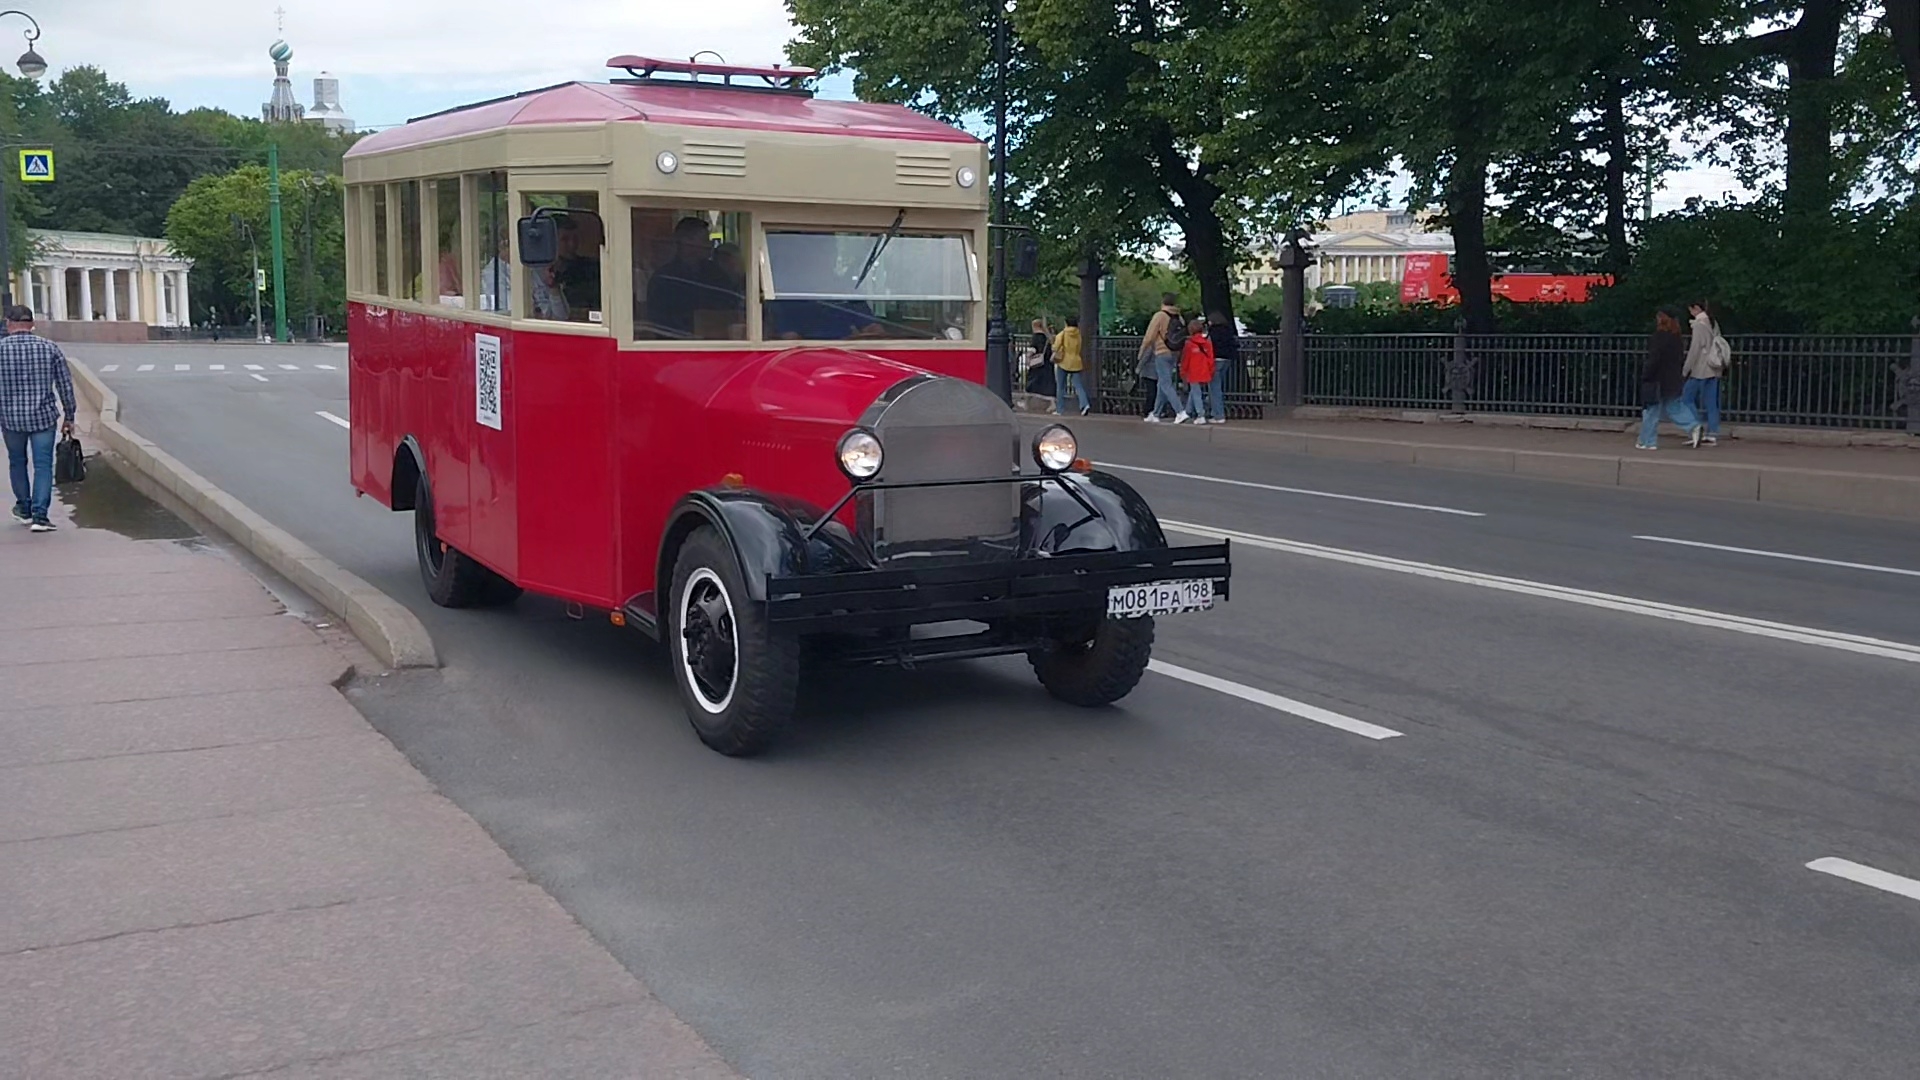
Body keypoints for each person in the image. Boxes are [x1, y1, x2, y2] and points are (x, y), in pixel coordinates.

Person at [0, 306, 77, 532]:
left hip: (10, 418)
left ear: (9, 323)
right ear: (32, 324)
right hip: (43, 418)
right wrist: (69, 415)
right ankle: (40, 516)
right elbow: (65, 385)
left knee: (17, 462)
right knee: (43, 465)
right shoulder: (49, 348)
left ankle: (24, 508)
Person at [643, 217, 722, 338]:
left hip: (716, 341)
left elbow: (730, 306)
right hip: (676, 342)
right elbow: (658, 321)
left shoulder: (716, 273)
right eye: (704, 240)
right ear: (686, 242)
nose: (710, 245)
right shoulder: (665, 278)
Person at [1638, 307, 1702, 451]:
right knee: (1673, 406)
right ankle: (1692, 425)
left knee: (1651, 410)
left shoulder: (1658, 337)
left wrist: (1646, 374)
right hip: (1672, 379)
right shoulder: (1676, 337)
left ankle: (1648, 441)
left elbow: (1654, 359)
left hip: (1657, 379)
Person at [1682, 300, 1727, 445]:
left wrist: (1686, 369)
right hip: (1714, 367)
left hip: (1700, 368)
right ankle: (1712, 434)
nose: (1690, 313)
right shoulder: (1712, 323)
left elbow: (1694, 349)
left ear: (1696, 308)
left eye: (1691, 310)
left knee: (1686, 398)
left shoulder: (1698, 325)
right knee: (1711, 402)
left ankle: (1696, 427)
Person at [1138, 293, 1187, 423]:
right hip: (1174, 352)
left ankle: (1180, 411)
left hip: (1162, 351)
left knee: (1165, 384)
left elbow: (1150, 336)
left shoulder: (1160, 316)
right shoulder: (1179, 317)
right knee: (1162, 383)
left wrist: (1142, 351)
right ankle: (1156, 413)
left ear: (1163, 303)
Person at [1179, 318, 1216, 425]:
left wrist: (1183, 371)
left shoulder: (1189, 344)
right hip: (1205, 371)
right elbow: (1211, 358)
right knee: (1195, 392)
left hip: (1193, 372)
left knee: (1196, 393)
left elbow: (1185, 360)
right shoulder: (1207, 343)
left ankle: (1200, 415)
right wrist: (1211, 370)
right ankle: (1188, 411)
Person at [1052, 314, 1090, 416]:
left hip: (1064, 362)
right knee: (1079, 386)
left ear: (1066, 323)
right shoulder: (1078, 334)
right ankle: (1085, 404)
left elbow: (1055, 347)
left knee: (1060, 387)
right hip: (1076, 361)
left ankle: (1060, 409)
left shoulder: (1063, 334)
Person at [1206, 309, 1237, 425]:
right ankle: (1215, 411)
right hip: (1226, 359)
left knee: (1214, 388)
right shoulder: (1228, 330)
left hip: (1216, 359)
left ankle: (1218, 415)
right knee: (1218, 386)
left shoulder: (1213, 331)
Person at [1024, 318, 1056, 400]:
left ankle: (1027, 402)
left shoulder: (1036, 337)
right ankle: (1050, 402)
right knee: (1046, 383)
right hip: (1047, 364)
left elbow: (1033, 349)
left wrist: (1028, 358)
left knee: (1032, 382)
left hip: (1037, 363)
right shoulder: (1047, 338)